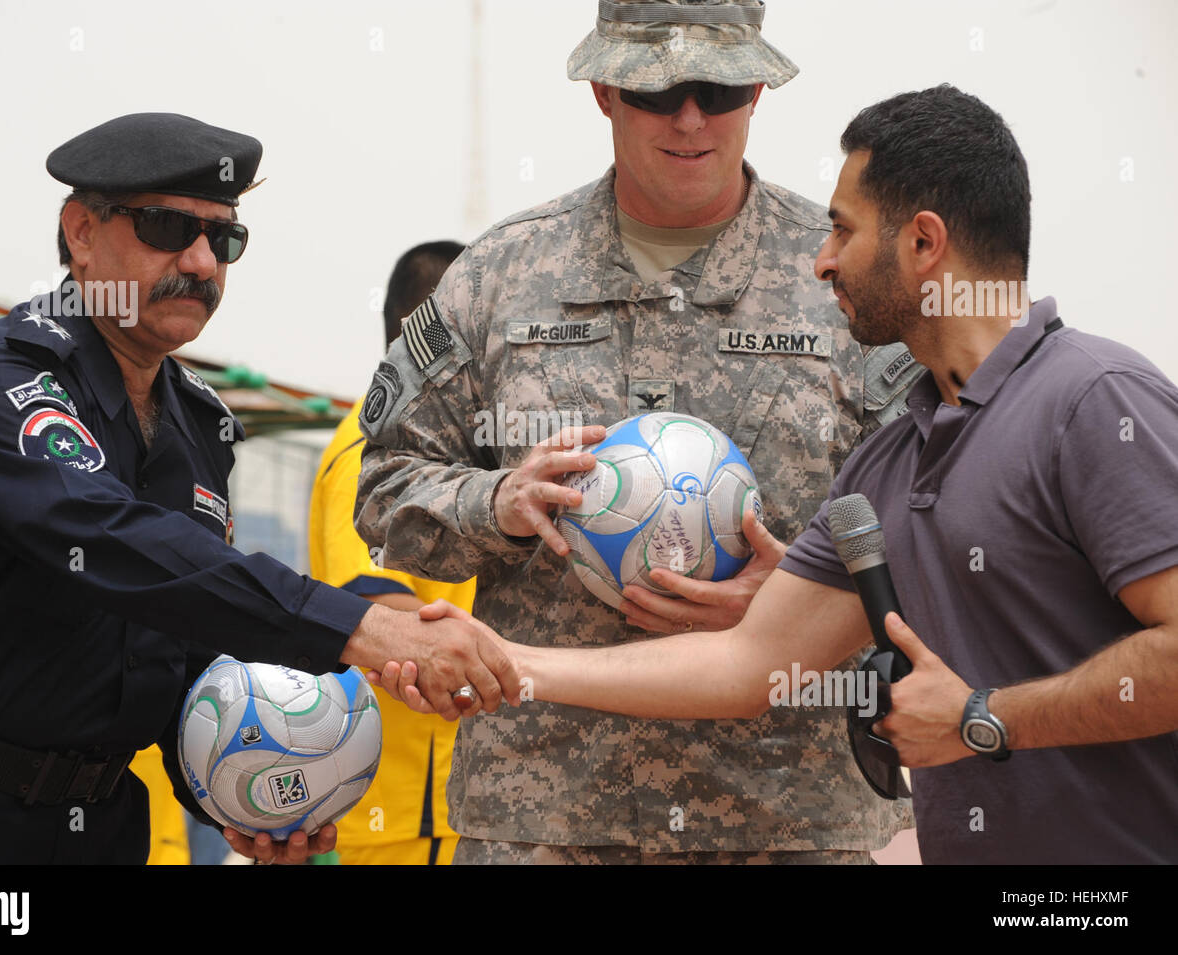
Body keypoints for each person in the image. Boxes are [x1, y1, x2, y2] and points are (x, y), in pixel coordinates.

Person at [391, 84, 1178, 863]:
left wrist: (984, 715)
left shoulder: (1092, 401)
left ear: (924, 242)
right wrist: (505, 659)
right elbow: (748, 663)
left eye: (843, 231)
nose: (823, 259)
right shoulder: (897, 458)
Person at [356, 0, 921, 864]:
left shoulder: (846, 278)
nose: (691, 117)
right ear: (605, 90)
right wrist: (497, 501)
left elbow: (946, 520)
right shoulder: (501, 278)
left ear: (759, 89)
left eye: (719, 86)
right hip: (545, 817)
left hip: (788, 816)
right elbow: (385, 486)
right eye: (658, 90)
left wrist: (801, 598)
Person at [0, 113, 517, 865]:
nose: (203, 262)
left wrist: (236, 793)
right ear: (81, 232)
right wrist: (364, 627)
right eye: (167, 227)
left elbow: (172, 650)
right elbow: (112, 539)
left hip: (104, 829)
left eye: (223, 238)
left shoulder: (198, 425)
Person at [309, 241, 471, 865]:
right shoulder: (368, 448)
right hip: (407, 818)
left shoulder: (453, 448)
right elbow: (378, 607)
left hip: (456, 810)